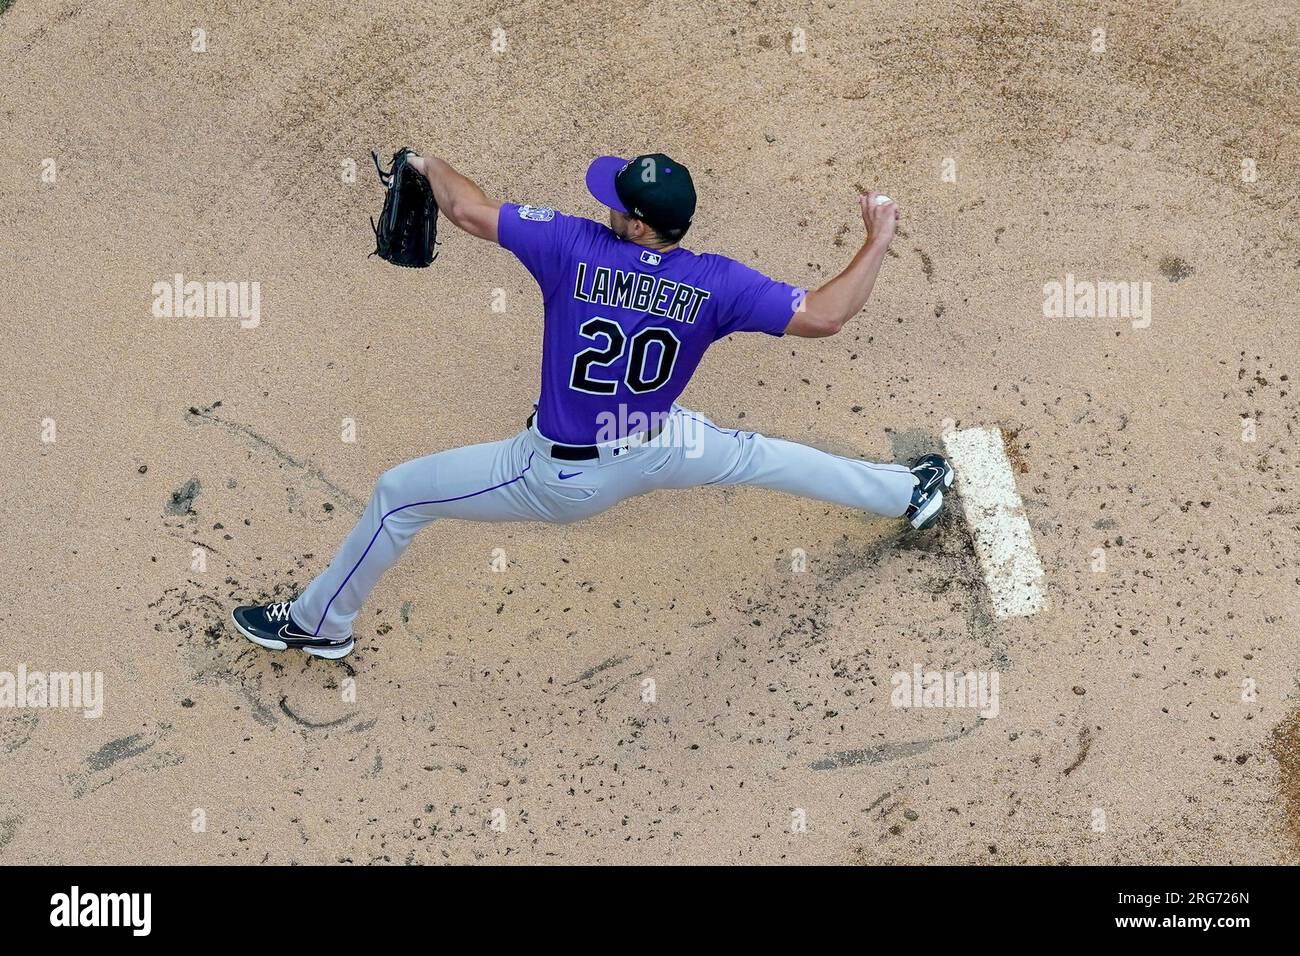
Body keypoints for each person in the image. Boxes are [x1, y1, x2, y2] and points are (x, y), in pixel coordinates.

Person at [231, 152, 953, 658]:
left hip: (560, 475)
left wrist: (424, 161)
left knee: (397, 496)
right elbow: (827, 315)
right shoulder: (717, 282)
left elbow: (468, 210)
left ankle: (319, 624)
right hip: (653, 443)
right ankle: (906, 494)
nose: (603, 202)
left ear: (639, 225)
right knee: (756, 455)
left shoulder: (573, 246)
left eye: (617, 200)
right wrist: (877, 238)